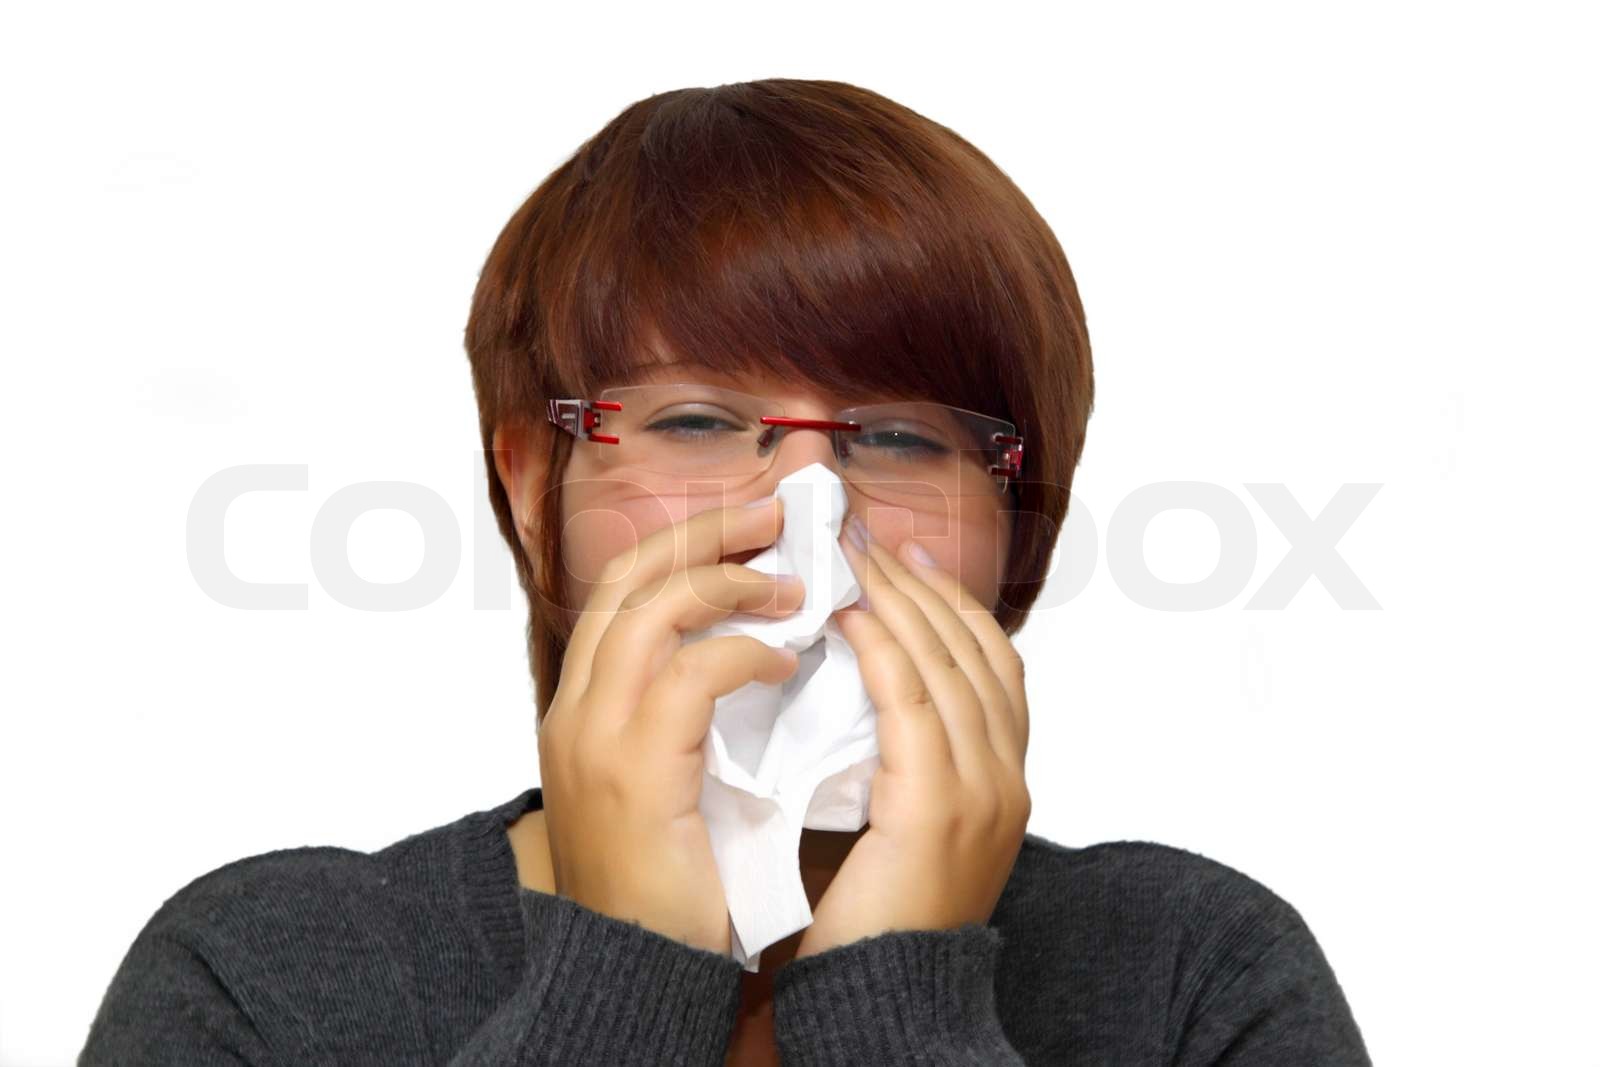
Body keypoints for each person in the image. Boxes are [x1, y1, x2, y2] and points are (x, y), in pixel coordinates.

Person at [79, 78, 1371, 1065]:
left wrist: (902, 999)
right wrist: (620, 974)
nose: (806, 512)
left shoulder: (1197, 974)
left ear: (1017, 523)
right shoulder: (265, 977)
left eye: (903, 436)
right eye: (695, 421)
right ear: (535, 488)